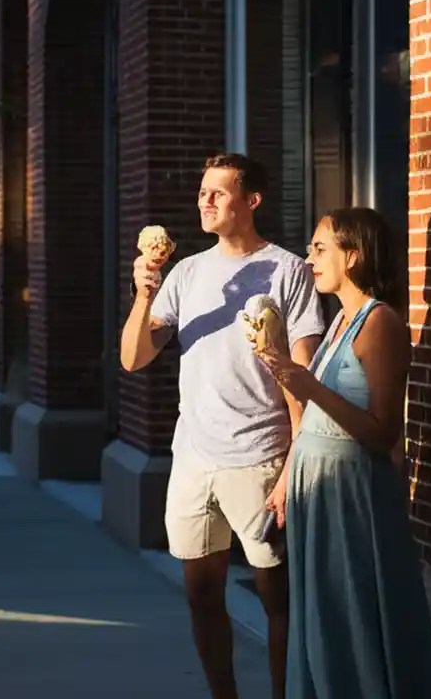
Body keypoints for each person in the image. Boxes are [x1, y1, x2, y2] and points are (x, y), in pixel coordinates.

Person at [119, 153, 324, 699]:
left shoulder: (288, 270)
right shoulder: (185, 273)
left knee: (276, 599)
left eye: (218, 192)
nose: (204, 200)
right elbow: (134, 358)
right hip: (193, 459)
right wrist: (143, 294)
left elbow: (300, 375)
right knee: (201, 596)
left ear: (251, 201)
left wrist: (290, 467)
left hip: (261, 457)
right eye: (202, 191)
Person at [256, 207, 431, 698]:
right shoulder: (339, 319)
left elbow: (383, 433)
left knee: (352, 608)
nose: (308, 258)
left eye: (320, 249)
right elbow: (316, 417)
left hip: (354, 496)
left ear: (353, 256)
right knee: (321, 612)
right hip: (315, 495)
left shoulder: (379, 323)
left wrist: (307, 385)